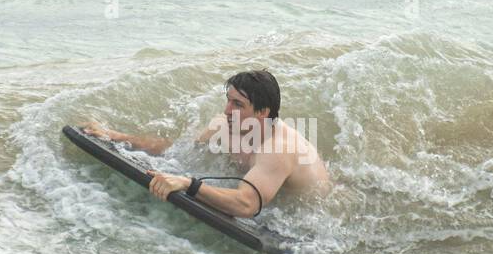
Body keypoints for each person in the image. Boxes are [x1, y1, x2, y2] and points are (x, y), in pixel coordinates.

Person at [82, 69, 330, 218]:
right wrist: (116, 136)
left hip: (312, 212)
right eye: (228, 100)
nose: (227, 110)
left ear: (263, 112)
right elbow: (177, 149)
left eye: (238, 105)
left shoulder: (278, 149)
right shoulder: (224, 124)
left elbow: (247, 204)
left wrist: (189, 185)